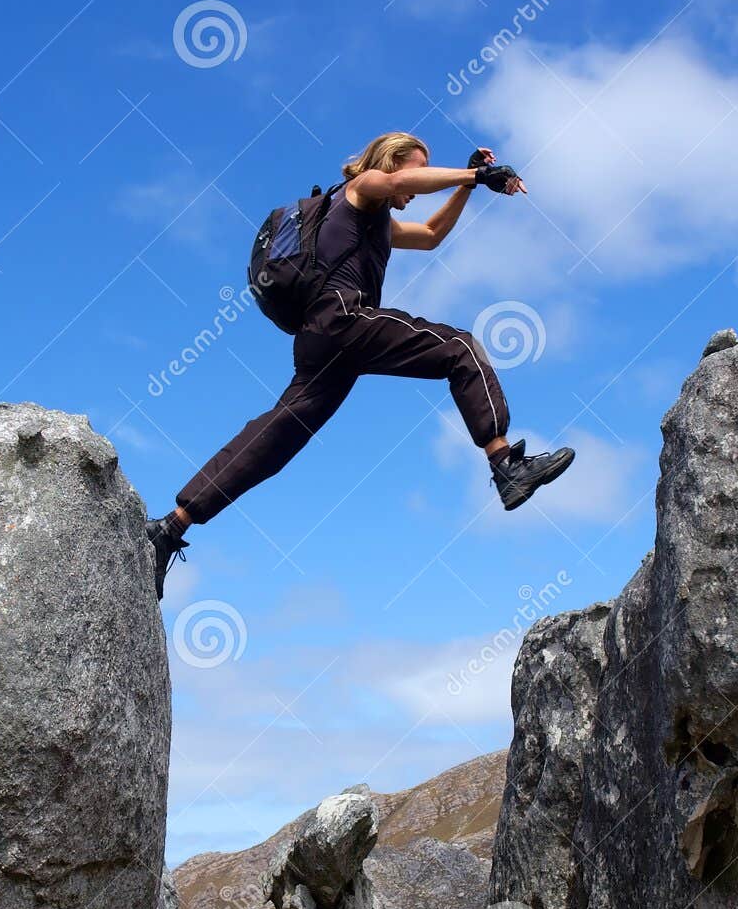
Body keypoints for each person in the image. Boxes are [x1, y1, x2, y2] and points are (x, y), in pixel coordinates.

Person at [145, 132, 574, 597]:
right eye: (411, 171)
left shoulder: (377, 224)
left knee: (276, 436)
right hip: (344, 319)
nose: (412, 186)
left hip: (319, 343)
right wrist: (478, 173)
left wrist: (467, 187)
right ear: (391, 164)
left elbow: (430, 236)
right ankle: (504, 463)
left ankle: (170, 527)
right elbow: (394, 184)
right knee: (462, 349)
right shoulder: (360, 189)